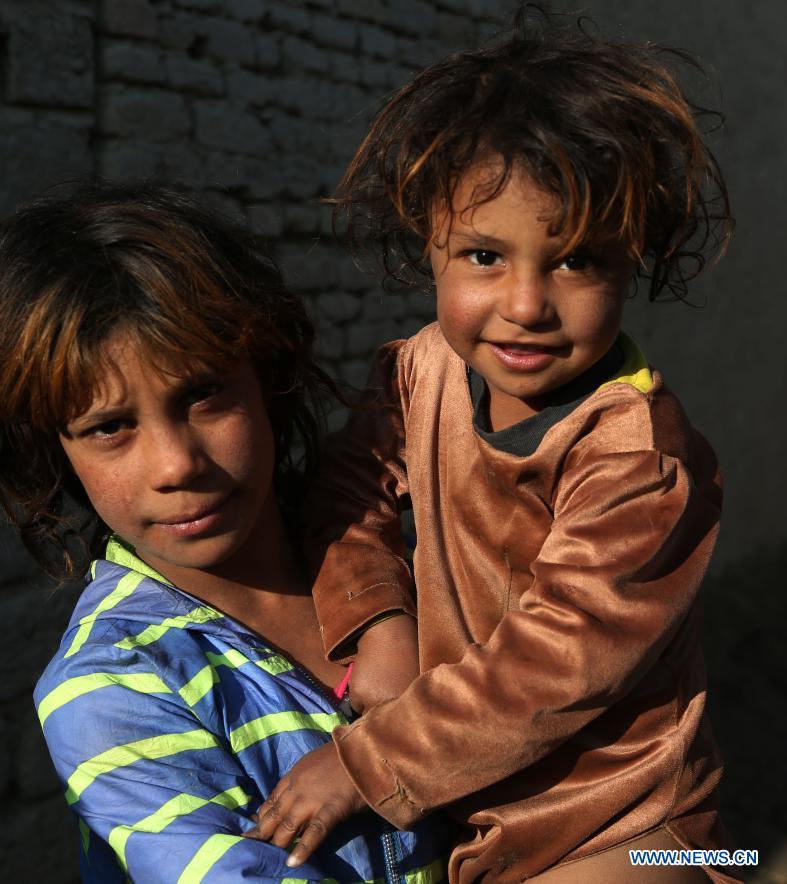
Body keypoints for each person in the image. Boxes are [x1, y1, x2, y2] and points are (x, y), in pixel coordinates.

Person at [246, 10, 739, 883]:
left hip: (627, 822)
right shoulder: (415, 372)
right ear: (426, 241)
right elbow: (348, 492)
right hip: (471, 806)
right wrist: (382, 623)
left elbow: (552, 665)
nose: (525, 303)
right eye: (482, 254)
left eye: (576, 260)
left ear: (636, 260)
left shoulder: (637, 461)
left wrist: (369, 761)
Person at [0, 182, 447, 882]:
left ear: (267, 378)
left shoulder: (412, 551)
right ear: (53, 451)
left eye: (204, 395)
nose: (177, 463)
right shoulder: (113, 688)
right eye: (109, 428)